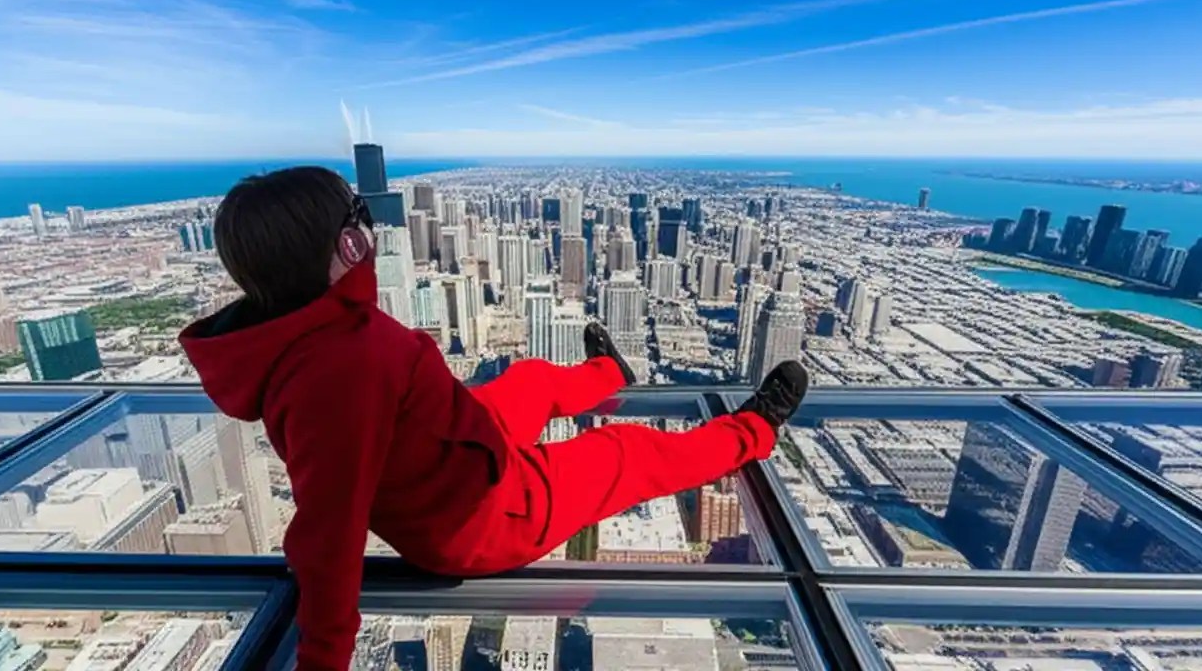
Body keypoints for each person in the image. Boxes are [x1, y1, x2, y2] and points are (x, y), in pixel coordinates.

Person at [179, 166, 809, 671]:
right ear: (348, 244)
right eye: (361, 220)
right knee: (630, 452)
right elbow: (329, 534)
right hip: (483, 516)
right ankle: (752, 432)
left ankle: (609, 374)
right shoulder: (343, 364)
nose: (371, 233)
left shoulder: (316, 334)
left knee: (529, 383)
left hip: (454, 456)